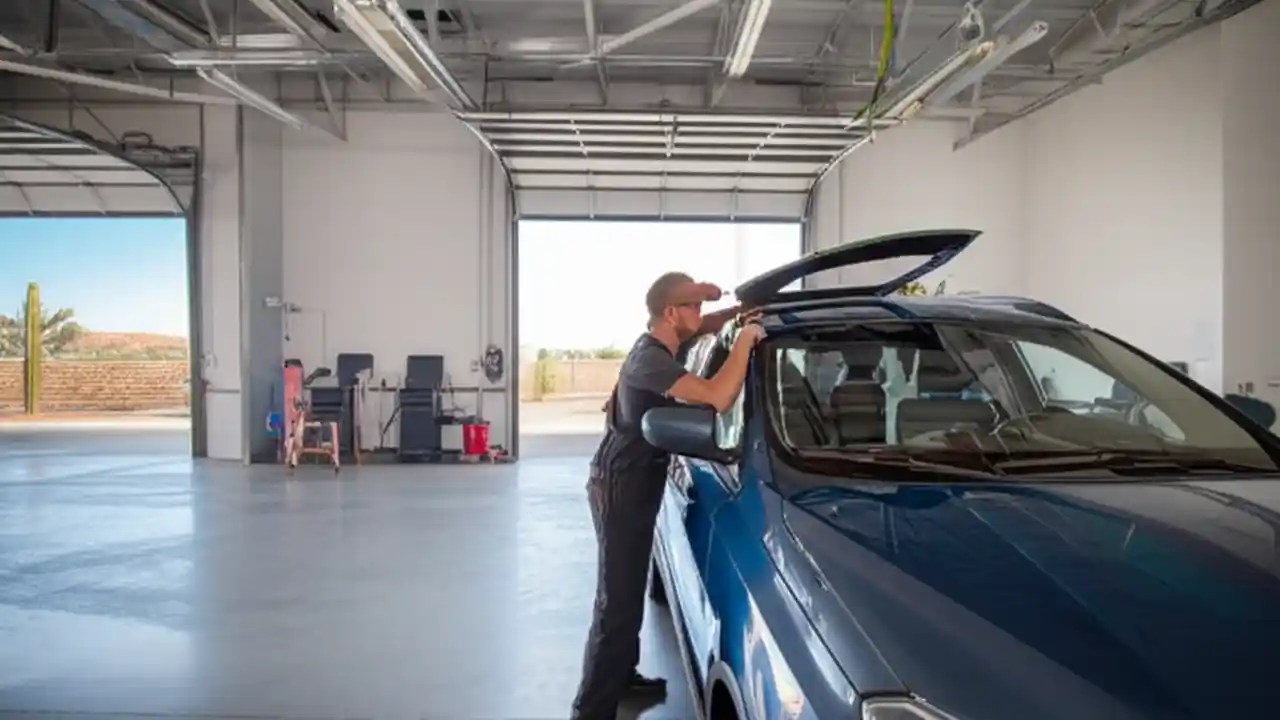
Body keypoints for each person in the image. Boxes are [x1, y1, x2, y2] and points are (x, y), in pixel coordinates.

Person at [571, 272, 766, 720]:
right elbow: (718, 397)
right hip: (620, 485)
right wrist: (747, 340)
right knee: (615, 602)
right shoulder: (652, 361)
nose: (700, 315)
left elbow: (708, 323)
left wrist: (737, 315)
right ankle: (591, 709)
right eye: (692, 307)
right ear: (670, 313)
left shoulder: (662, 344)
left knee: (631, 585)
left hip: (637, 479)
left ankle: (623, 677)